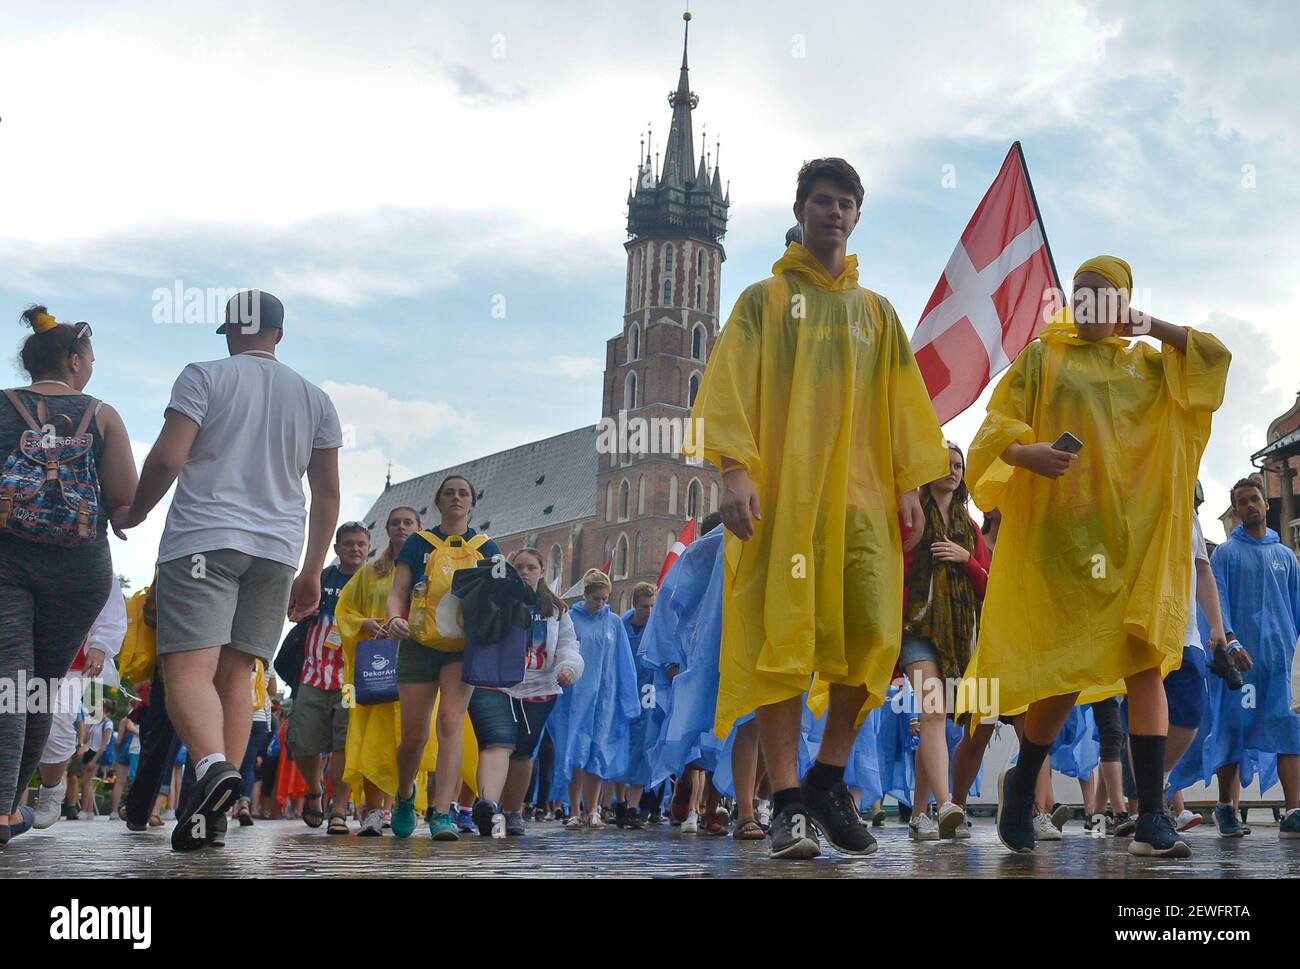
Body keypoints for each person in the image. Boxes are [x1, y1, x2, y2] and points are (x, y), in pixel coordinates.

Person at [684, 158, 950, 859]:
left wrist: (909, 485)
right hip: (785, 505)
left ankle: (829, 777)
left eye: (846, 203)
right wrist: (735, 470)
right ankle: (788, 801)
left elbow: (903, 408)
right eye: (822, 201)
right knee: (782, 646)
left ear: (858, 216)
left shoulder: (876, 313)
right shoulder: (763, 301)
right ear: (800, 211)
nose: (834, 213)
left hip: (861, 507)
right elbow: (728, 388)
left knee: (870, 642)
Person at [958, 255, 1230, 857]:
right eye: (1080, 293)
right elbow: (997, 421)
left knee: (1144, 665)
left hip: (1133, 544)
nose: (1089, 303)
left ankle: (1152, 814)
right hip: (1065, 543)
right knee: (1062, 673)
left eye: (1103, 295)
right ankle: (1024, 779)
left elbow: (1212, 359)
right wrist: (1025, 455)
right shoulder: (1042, 357)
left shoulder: (1148, 366)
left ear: (1125, 301)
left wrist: (1151, 325)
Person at [117, 290, 342, 851]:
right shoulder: (316, 398)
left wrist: (135, 510)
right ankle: (214, 812)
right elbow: (328, 491)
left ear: (229, 331)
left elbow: (168, 458)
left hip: (204, 540)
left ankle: (214, 767)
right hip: (276, 550)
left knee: (188, 671)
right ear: (279, 334)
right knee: (236, 676)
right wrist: (312, 569)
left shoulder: (204, 375)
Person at [0, 306, 137, 846]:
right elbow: (125, 501)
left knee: (10, 680)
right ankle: (11, 807)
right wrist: (121, 519)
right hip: (80, 570)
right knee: (40, 687)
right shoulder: (102, 415)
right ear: (74, 361)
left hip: (6, 560)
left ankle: (3, 807)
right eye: (92, 360)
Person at [383, 475, 501, 840]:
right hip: (419, 642)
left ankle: (441, 812)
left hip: (464, 648)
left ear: (472, 503)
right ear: (438, 501)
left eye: (463, 493)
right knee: (414, 737)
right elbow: (397, 592)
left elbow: (500, 599)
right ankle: (405, 796)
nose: (456, 498)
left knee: (451, 722)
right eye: (449, 493)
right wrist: (394, 618)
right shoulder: (419, 543)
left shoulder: (486, 546)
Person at [1200, 479, 1300, 839]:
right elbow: (1217, 601)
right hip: (1239, 664)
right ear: (1236, 511)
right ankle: (1226, 807)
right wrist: (1230, 641)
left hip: (1280, 663)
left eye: (1254, 499)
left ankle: (1293, 811)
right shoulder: (1225, 554)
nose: (1250, 506)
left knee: (1288, 729)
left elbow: (1297, 610)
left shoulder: (1286, 556)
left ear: (1266, 504)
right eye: (1241, 502)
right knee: (1233, 728)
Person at [899, 443, 989, 841]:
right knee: (933, 714)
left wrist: (964, 558)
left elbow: (989, 586)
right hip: (916, 630)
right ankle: (947, 803)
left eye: (958, 466)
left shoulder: (970, 530)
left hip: (958, 634)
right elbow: (896, 569)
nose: (952, 471)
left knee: (938, 722)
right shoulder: (910, 515)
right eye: (946, 465)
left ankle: (921, 814)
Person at [334, 506, 439, 837]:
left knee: (410, 737)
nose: (402, 527)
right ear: (388, 530)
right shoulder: (371, 571)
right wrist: (364, 622)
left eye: (409, 522)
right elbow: (344, 609)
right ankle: (373, 811)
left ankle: (401, 802)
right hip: (377, 665)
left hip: (419, 662)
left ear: (419, 528)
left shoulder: (432, 566)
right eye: (395, 523)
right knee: (372, 739)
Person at [467, 547, 583, 836]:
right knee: (497, 742)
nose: (525, 572)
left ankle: (513, 811)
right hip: (493, 683)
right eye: (518, 567)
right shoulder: (495, 597)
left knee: (523, 752)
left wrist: (568, 667)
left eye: (531, 567)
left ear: (542, 572)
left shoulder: (556, 608)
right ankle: (489, 806)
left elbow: (568, 644)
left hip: (538, 687)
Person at [289, 522, 369, 834]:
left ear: (368, 546)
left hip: (352, 679)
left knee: (344, 743)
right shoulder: (323, 577)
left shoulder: (374, 580)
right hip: (313, 672)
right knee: (302, 741)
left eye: (361, 543)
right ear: (336, 549)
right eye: (348, 543)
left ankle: (339, 809)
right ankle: (314, 789)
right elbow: (292, 608)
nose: (355, 549)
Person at [33, 579, 128, 829]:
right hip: (24, 652)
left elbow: (110, 603)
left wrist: (100, 647)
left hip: (74, 663)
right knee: (14, 719)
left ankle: (51, 789)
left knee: (56, 720)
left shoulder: (91, 547)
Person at [550, 569, 640, 829]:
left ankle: (594, 809)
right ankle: (574, 809)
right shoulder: (571, 620)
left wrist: (628, 699)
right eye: (597, 598)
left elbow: (625, 662)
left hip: (605, 699)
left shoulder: (613, 622)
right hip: (574, 698)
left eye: (605, 598)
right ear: (586, 595)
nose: (601, 603)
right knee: (575, 752)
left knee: (597, 753)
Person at [614, 581, 658, 829]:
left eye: (653, 606)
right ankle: (619, 802)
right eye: (644, 606)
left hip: (648, 694)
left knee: (644, 749)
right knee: (621, 746)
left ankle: (633, 807)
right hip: (624, 693)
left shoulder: (657, 629)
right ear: (634, 604)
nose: (649, 611)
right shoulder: (620, 627)